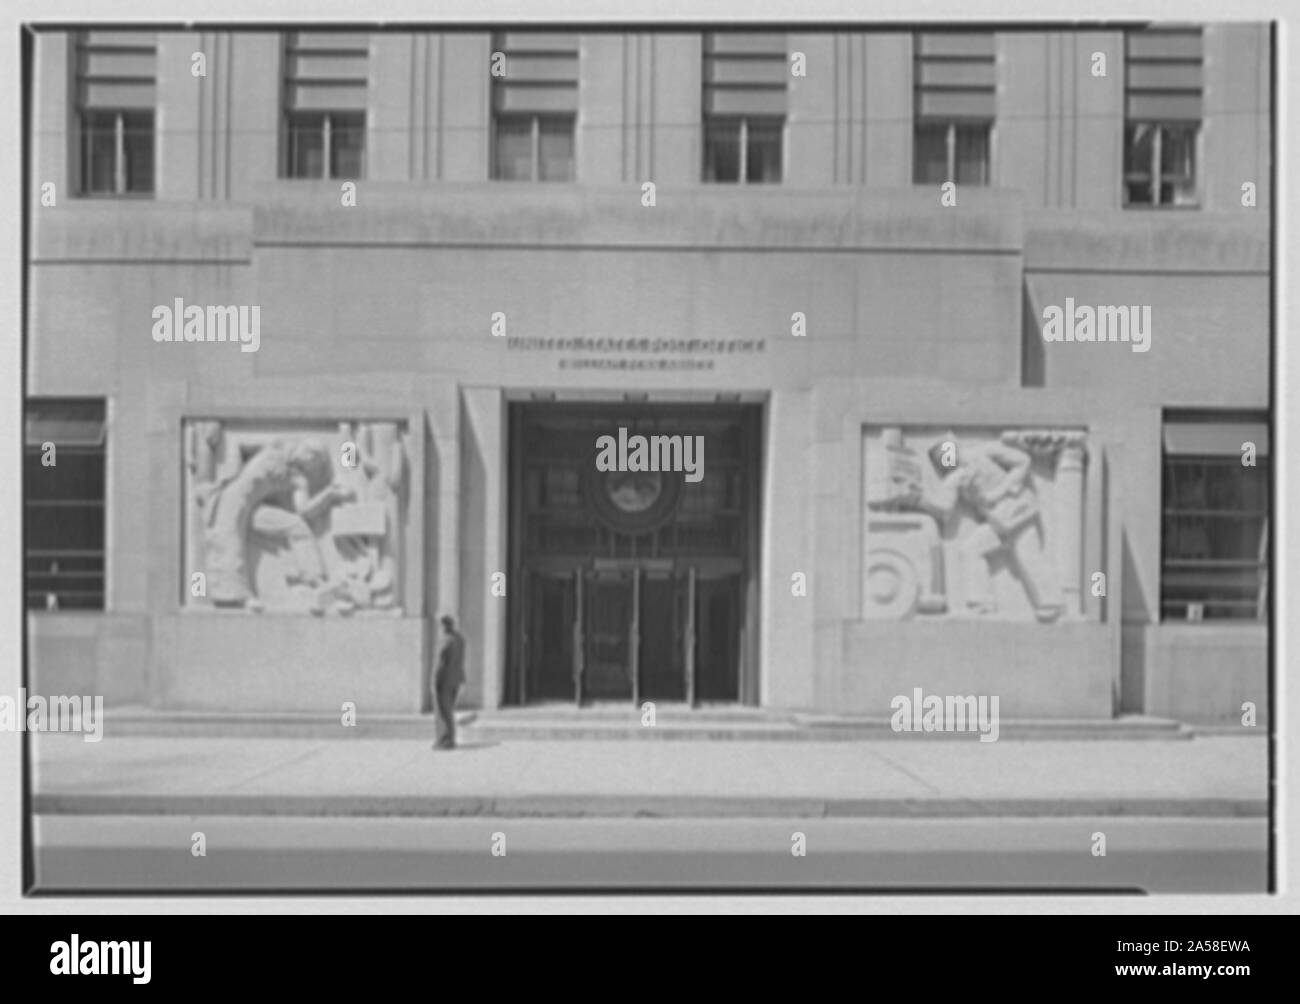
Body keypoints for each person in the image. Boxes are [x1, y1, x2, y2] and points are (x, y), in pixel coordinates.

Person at [432, 615, 466, 750]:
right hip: (457, 679)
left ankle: (447, 740)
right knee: (449, 709)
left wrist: (436, 680)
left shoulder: (446, 641)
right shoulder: (460, 639)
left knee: (445, 711)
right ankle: (449, 738)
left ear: (444, 626)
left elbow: (441, 663)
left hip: (445, 680)